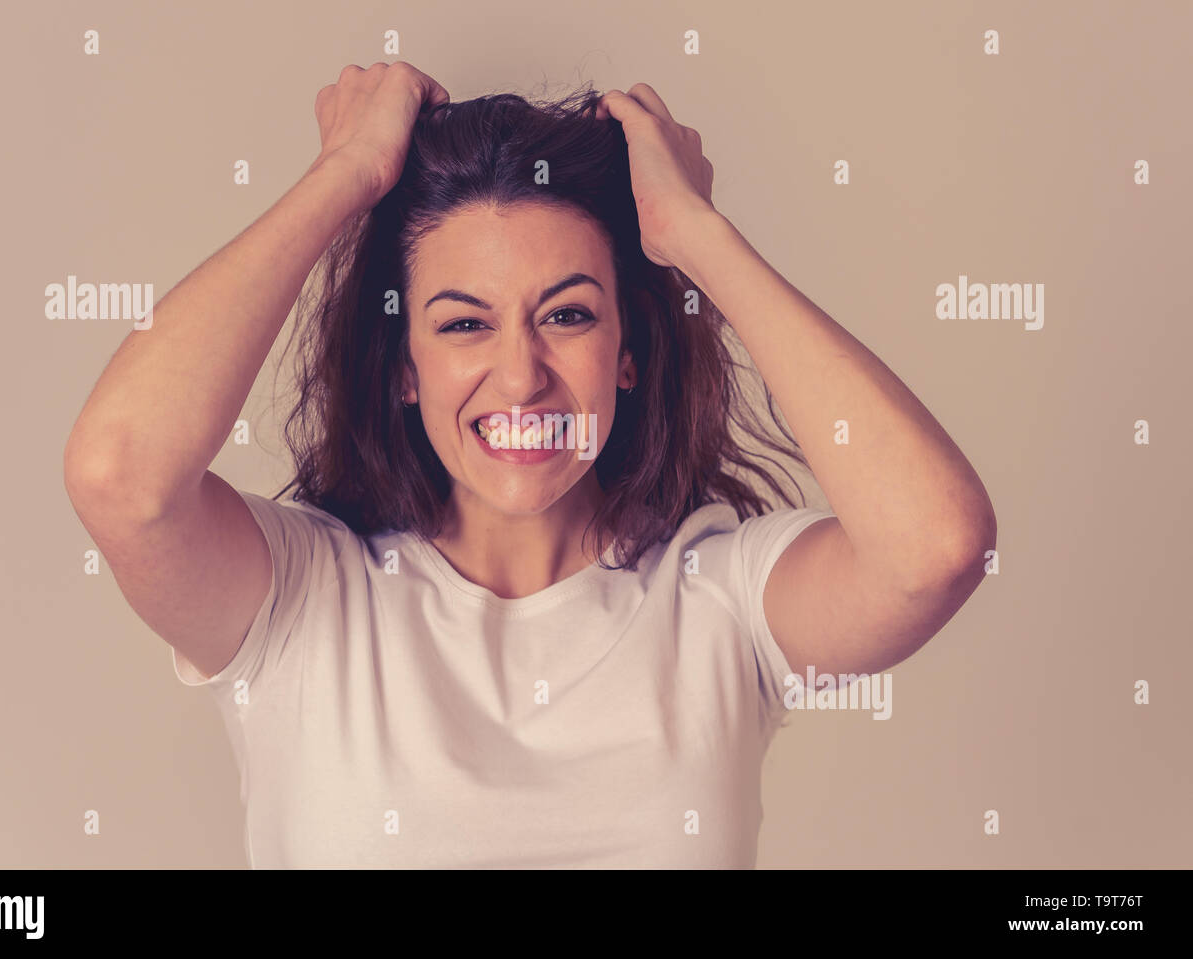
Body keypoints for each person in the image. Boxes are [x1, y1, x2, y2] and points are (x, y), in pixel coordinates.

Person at [63, 62, 996, 868]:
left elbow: (938, 544)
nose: (520, 376)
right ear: (402, 369)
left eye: (570, 315)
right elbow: (121, 475)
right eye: (465, 324)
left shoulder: (721, 595)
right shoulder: (302, 598)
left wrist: (697, 236)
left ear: (628, 353)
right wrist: (343, 175)